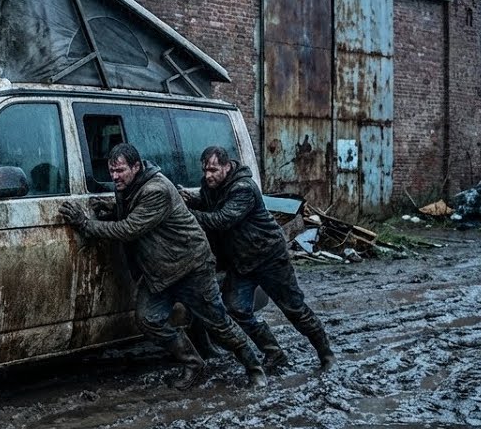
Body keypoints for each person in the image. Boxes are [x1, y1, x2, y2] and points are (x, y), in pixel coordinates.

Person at [58, 143, 266, 389]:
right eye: (111, 171)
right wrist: (114, 209)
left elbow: (129, 229)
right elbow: (135, 215)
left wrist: (84, 223)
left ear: (136, 167)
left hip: (190, 267)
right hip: (161, 272)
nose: (114, 177)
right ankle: (194, 364)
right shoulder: (131, 186)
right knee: (149, 319)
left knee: (219, 324)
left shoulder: (156, 189)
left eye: (120, 170)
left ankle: (255, 370)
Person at [183, 146, 336, 371]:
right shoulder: (211, 186)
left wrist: (186, 213)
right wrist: (185, 197)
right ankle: (274, 353)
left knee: (294, 309)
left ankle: (326, 355)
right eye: (205, 170)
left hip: (269, 257)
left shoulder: (243, 188)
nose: (208, 175)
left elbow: (222, 219)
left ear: (227, 166)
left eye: (214, 170)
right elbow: (207, 203)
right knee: (236, 308)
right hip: (242, 262)